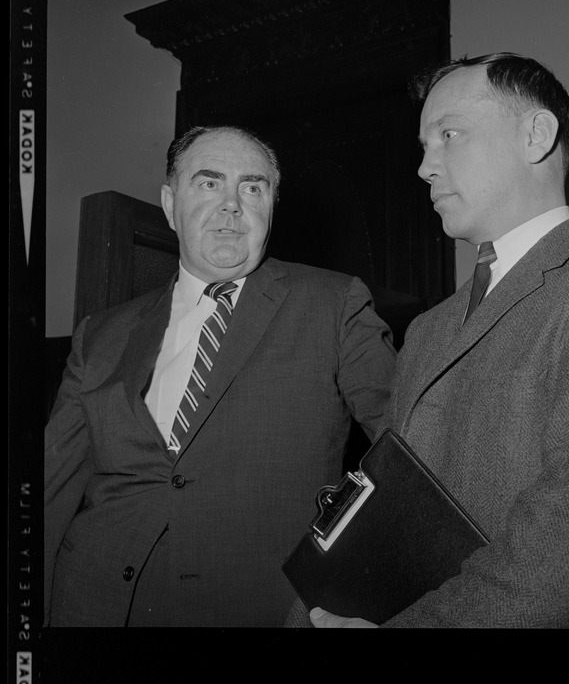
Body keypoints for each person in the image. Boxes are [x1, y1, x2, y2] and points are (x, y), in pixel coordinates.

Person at [307, 52, 569, 629]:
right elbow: (381, 510)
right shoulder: (429, 328)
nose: (424, 167)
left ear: (536, 135)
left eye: (449, 135)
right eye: (424, 146)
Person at [44, 125, 397, 627]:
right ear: (170, 204)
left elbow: (412, 458)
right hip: (96, 607)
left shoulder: (333, 303)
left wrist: (380, 604)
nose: (232, 204)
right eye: (208, 183)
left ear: (271, 206)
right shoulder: (99, 335)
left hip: (264, 609)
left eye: (253, 187)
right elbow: (50, 491)